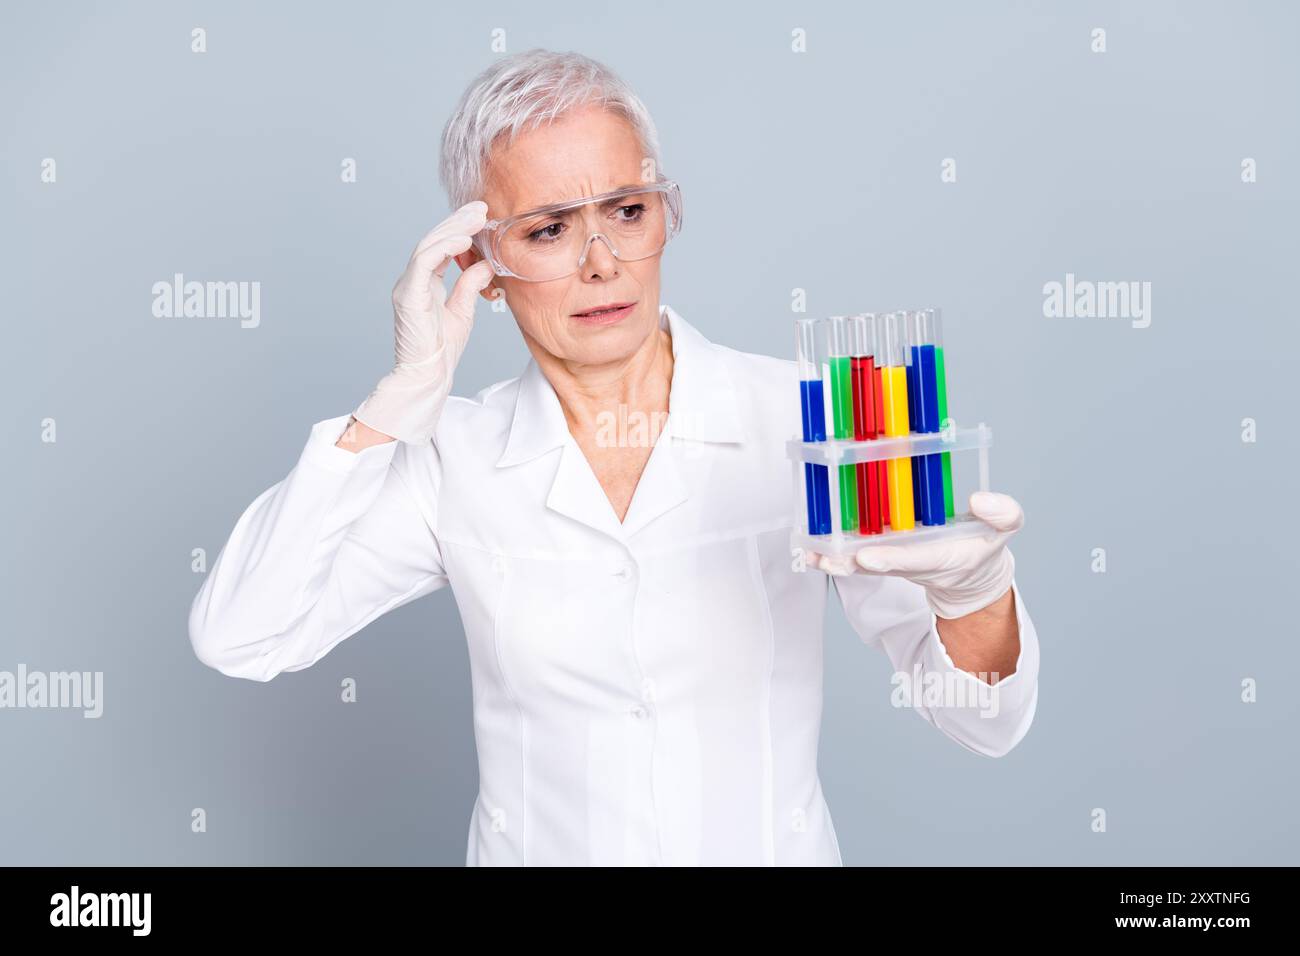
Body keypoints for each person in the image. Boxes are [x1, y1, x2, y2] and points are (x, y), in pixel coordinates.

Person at [188, 48, 1040, 866]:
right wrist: (392, 404)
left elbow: (983, 722)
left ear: (664, 215)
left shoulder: (807, 415)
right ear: (479, 260)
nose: (601, 264)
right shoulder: (453, 456)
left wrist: (974, 596)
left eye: (626, 211)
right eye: (549, 229)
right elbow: (242, 636)